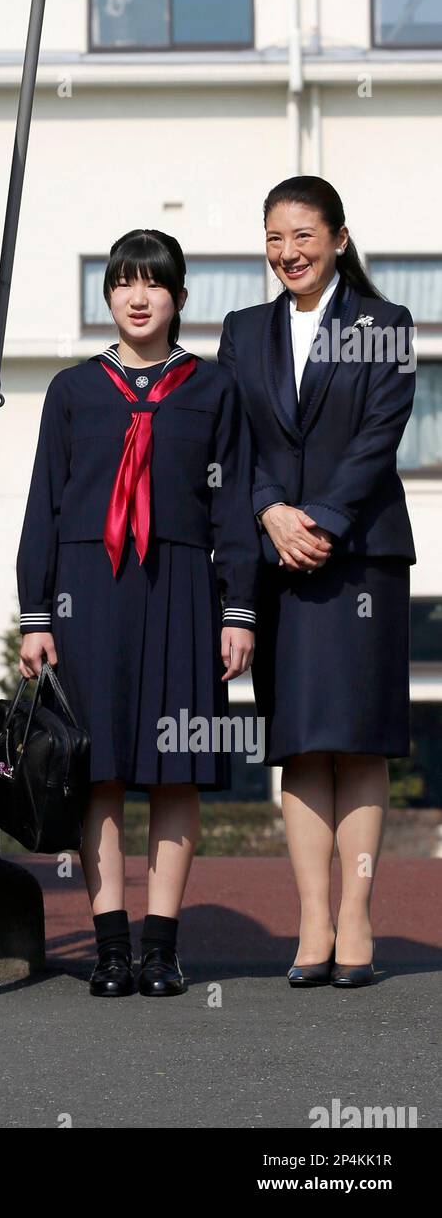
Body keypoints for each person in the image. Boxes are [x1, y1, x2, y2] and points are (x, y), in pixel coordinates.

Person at [17, 229, 258, 998]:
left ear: (179, 298)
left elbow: (234, 510)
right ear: (109, 297)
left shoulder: (214, 389)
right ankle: (110, 948)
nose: (138, 295)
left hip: (184, 585)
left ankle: (163, 949)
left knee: (175, 772)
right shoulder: (73, 390)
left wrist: (239, 611)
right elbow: (41, 508)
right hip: (85, 591)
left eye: (153, 283)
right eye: (123, 282)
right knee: (101, 774)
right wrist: (35, 615)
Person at [218, 176, 416, 989]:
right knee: (298, 744)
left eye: (302, 235)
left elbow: (381, 433)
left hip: (359, 555)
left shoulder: (384, 326)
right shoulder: (241, 331)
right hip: (280, 562)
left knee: (360, 739)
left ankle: (358, 918)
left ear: (337, 237)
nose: (287, 252)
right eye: (273, 237)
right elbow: (231, 442)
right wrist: (271, 513)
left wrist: (323, 518)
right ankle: (311, 921)